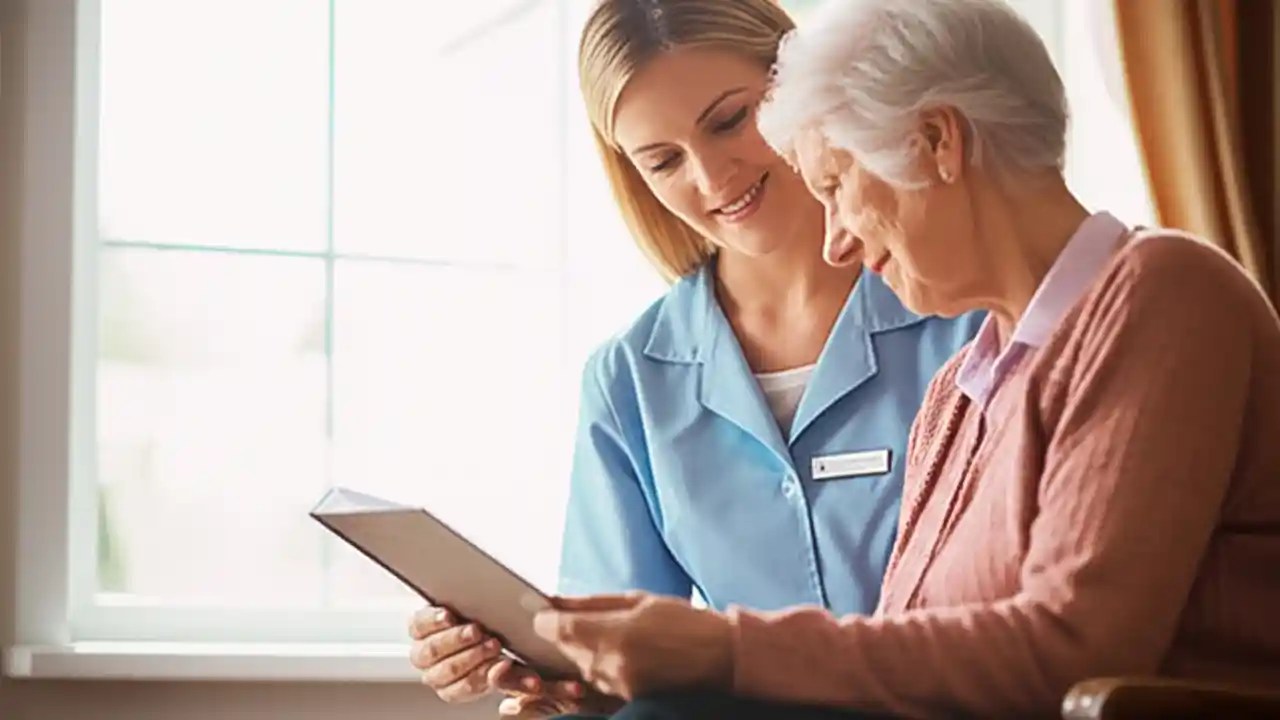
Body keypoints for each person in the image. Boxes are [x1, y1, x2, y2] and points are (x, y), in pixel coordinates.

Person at [530, 0, 1280, 718]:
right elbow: (900, 656)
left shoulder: (1166, 292)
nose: (836, 242)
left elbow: (1072, 648)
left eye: (835, 186)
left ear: (936, 142)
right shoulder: (958, 394)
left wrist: (724, 649)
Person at [407, 0, 982, 716]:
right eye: (664, 160)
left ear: (802, 88)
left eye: (729, 120)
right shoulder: (630, 382)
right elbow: (620, 667)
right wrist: (549, 684)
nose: (713, 179)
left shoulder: (966, 315)